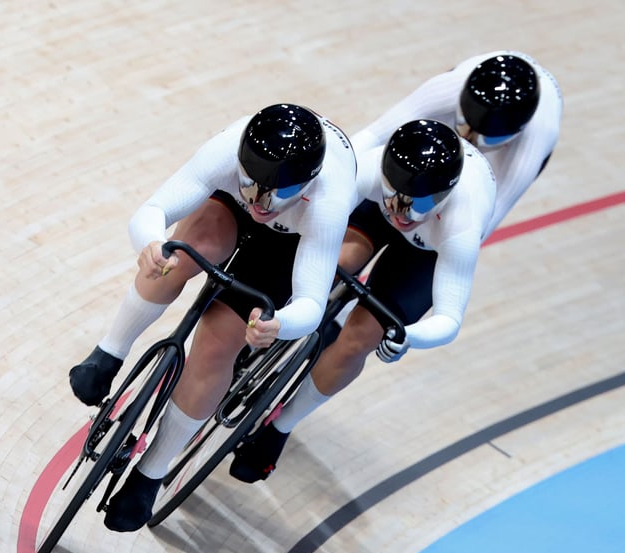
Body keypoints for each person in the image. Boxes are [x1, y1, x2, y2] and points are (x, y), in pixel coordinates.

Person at [229, 51, 562, 482]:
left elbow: (468, 257)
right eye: (463, 125)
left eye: (482, 135)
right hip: (404, 178)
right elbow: (367, 141)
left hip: (444, 218)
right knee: (337, 256)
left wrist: (407, 334)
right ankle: (264, 333)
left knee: (360, 338)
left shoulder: (522, 150)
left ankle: (279, 428)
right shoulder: (445, 93)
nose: (470, 137)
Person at [68, 103, 358, 531]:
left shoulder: (329, 201)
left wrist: (279, 325)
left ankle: (151, 475)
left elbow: (312, 303)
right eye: (253, 184)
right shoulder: (226, 151)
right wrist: (151, 243)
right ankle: (108, 353)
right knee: (178, 255)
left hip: (290, 241)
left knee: (217, 344)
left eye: (276, 192)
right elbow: (152, 211)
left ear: (309, 184)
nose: (263, 201)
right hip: (228, 206)